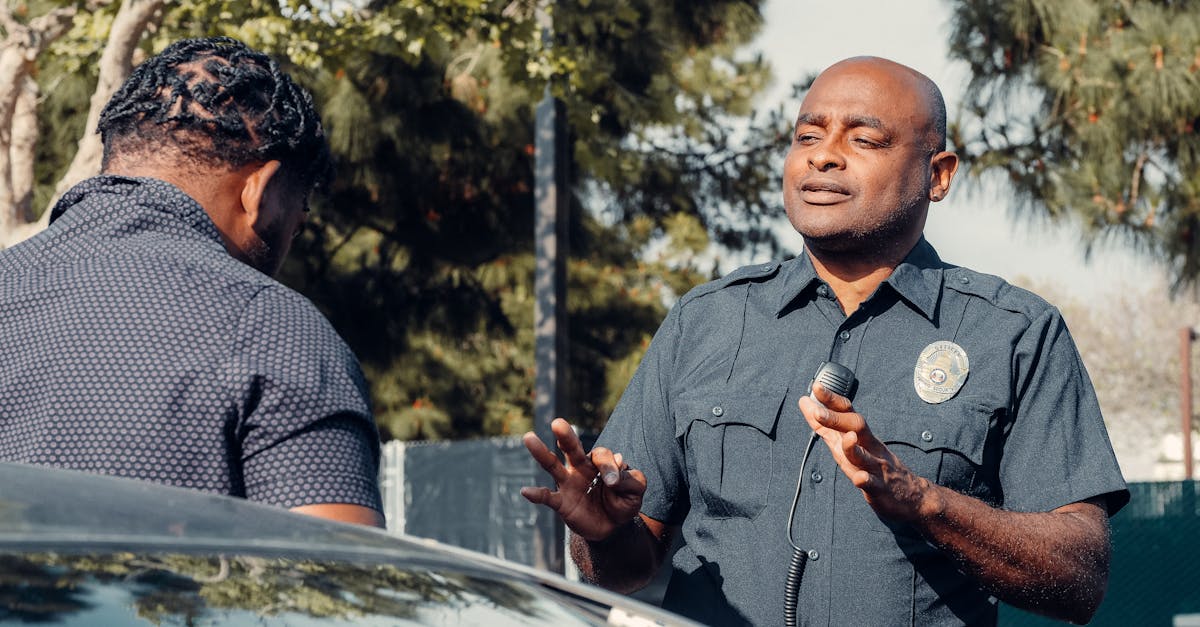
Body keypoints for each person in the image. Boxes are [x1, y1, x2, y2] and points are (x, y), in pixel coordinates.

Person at [521, 56, 1128, 626]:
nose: (823, 158)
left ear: (937, 176)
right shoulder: (705, 321)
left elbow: (1080, 577)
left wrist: (920, 500)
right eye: (807, 137)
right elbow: (626, 566)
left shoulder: (1015, 332)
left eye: (863, 140)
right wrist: (600, 533)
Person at [0, 37, 383, 528]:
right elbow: (336, 586)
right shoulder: (278, 333)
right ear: (260, 191)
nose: (293, 237)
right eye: (299, 215)